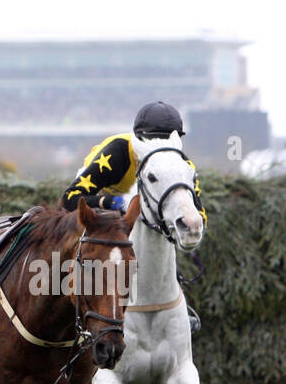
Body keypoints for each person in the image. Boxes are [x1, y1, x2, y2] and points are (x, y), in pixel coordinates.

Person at [60, 100, 206, 332]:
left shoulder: (182, 165)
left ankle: (174, 303)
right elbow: (69, 199)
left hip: (140, 216)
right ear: (139, 139)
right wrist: (112, 203)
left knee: (160, 234)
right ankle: (71, 313)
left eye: (167, 139)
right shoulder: (118, 152)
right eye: (153, 139)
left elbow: (198, 211)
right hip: (100, 215)